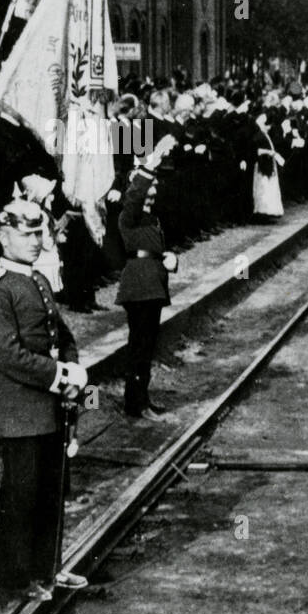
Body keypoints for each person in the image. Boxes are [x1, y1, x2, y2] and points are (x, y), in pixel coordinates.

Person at [0, 200, 89, 601]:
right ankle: (14, 579)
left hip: (50, 407)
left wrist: (74, 369)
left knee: (50, 491)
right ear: (4, 237)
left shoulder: (38, 280)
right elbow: (7, 355)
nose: (36, 241)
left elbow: (62, 335)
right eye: (26, 234)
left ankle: (48, 570)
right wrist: (60, 375)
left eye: (39, 233)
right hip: (20, 411)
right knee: (20, 496)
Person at [117, 150, 177, 420]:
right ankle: (135, 404)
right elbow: (133, 197)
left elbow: (155, 250)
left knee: (147, 347)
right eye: (148, 185)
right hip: (139, 289)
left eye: (153, 185)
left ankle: (142, 399)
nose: (153, 189)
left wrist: (170, 259)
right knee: (139, 347)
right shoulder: (128, 217)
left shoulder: (152, 218)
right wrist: (146, 171)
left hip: (152, 287)